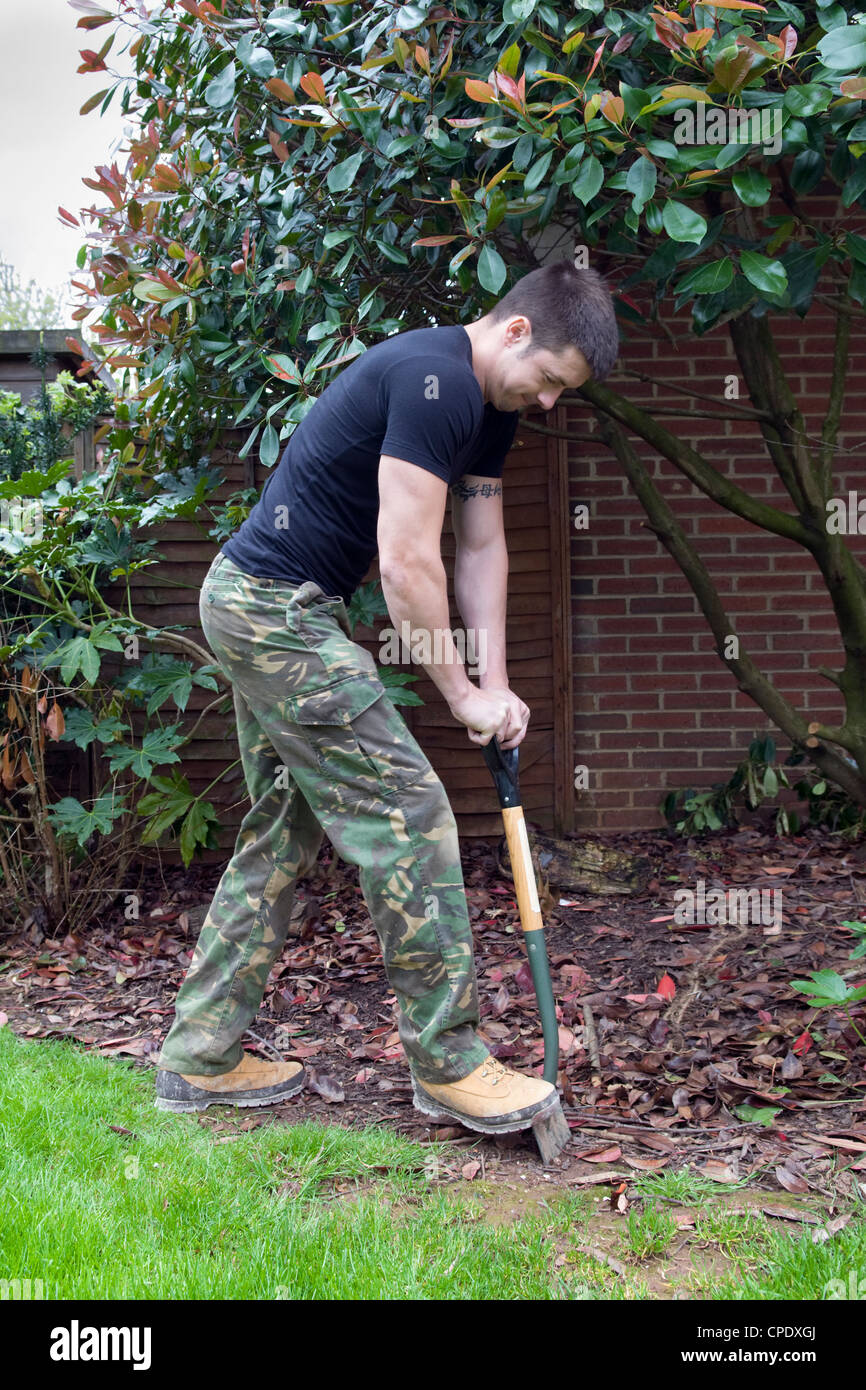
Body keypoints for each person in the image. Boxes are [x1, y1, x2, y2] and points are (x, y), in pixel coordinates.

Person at [155, 258, 619, 1134]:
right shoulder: (432, 379)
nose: (551, 403)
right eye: (551, 381)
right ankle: (449, 1064)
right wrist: (456, 694)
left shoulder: (488, 412)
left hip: (271, 606)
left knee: (283, 826)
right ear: (515, 332)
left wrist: (496, 682)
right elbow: (408, 560)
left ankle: (199, 1057)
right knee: (409, 813)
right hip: (271, 613)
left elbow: (480, 549)